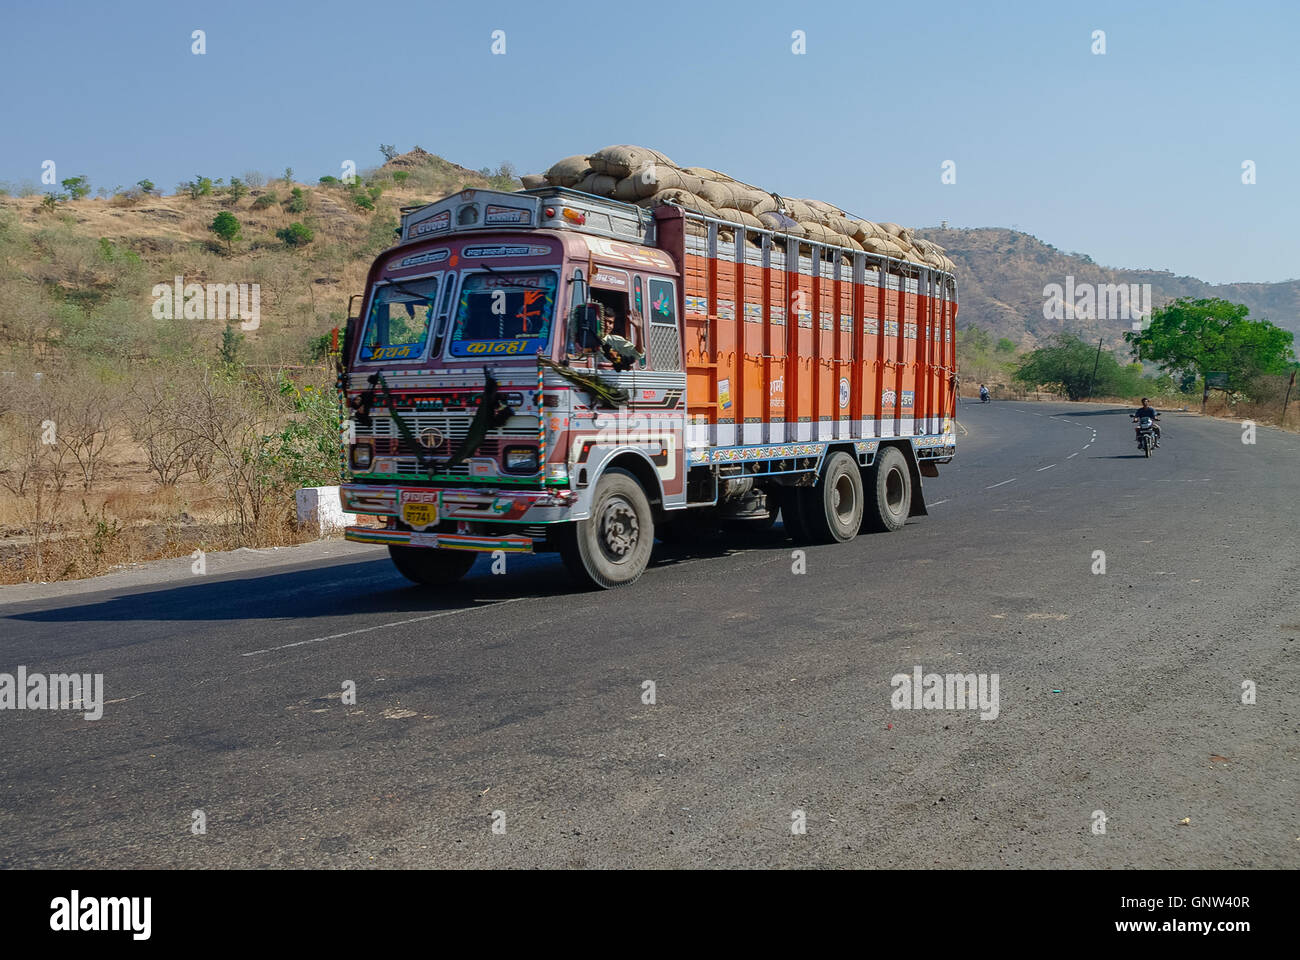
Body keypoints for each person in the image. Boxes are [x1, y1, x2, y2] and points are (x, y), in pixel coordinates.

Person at [598, 305, 644, 371]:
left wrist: (638, 329)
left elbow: (637, 353)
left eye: (610, 323)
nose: (607, 325)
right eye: (604, 321)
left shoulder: (615, 340)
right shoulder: (586, 338)